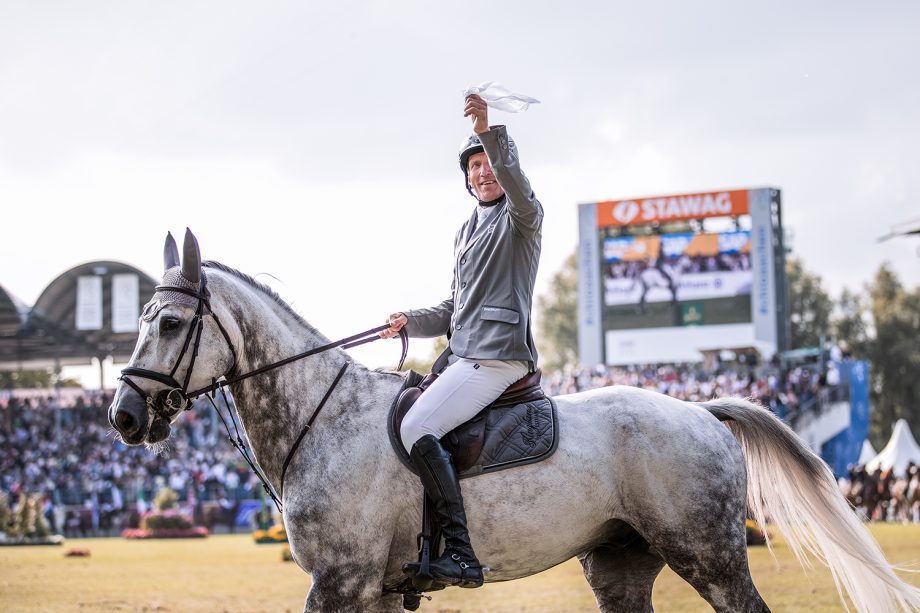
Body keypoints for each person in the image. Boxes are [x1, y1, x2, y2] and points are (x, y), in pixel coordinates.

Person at [380, 93, 543, 588]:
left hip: (497, 358)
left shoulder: (522, 218)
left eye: (488, 163)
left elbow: (515, 183)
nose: (483, 172)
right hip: (463, 356)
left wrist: (489, 130)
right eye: (474, 166)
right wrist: (410, 320)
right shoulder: (465, 231)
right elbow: (455, 308)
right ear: (466, 177)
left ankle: (464, 556)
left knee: (414, 428)